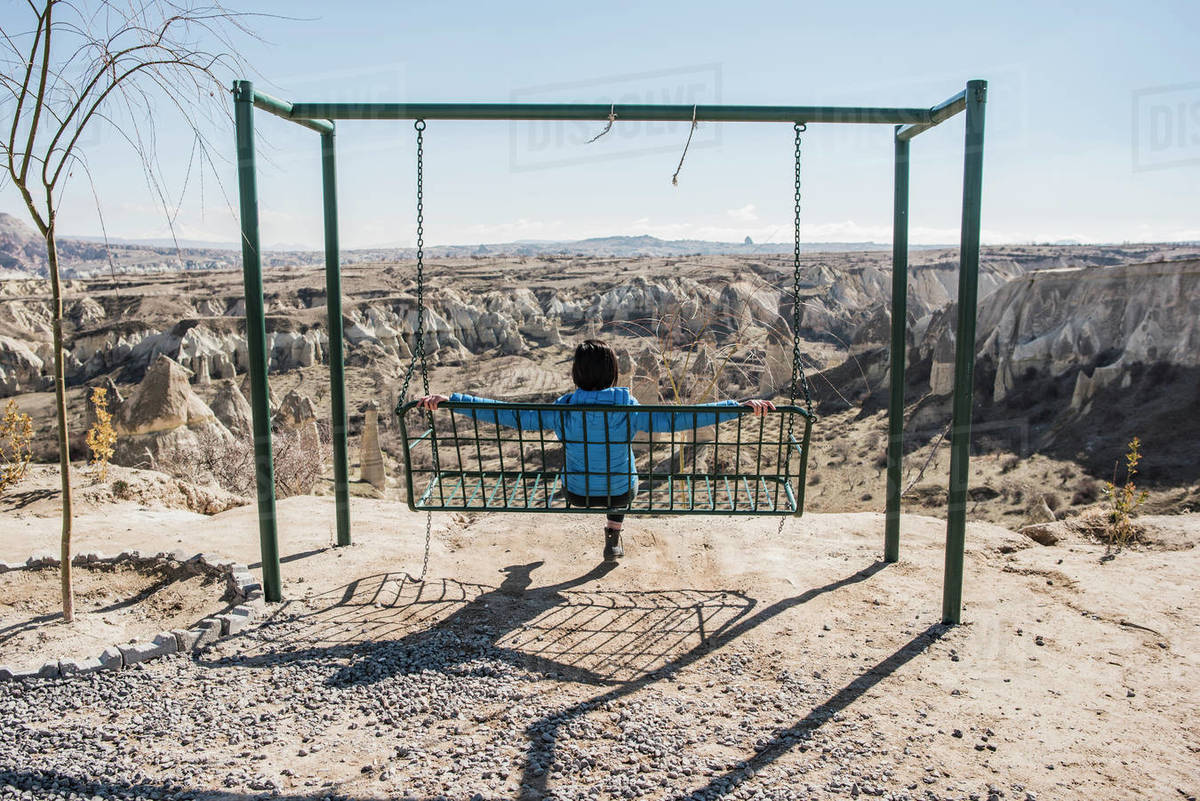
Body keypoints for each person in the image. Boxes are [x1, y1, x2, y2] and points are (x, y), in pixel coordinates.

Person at [417, 339, 774, 562]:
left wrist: (454, 401)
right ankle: (613, 534)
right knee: (627, 477)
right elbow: (678, 418)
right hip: (618, 492)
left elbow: (508, 414)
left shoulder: (562, 410)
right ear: (614, 373)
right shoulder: (628, 409)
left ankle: (609, 531)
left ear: (575, 374)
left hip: (576, 493)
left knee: (581, 466)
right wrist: (738, 406)